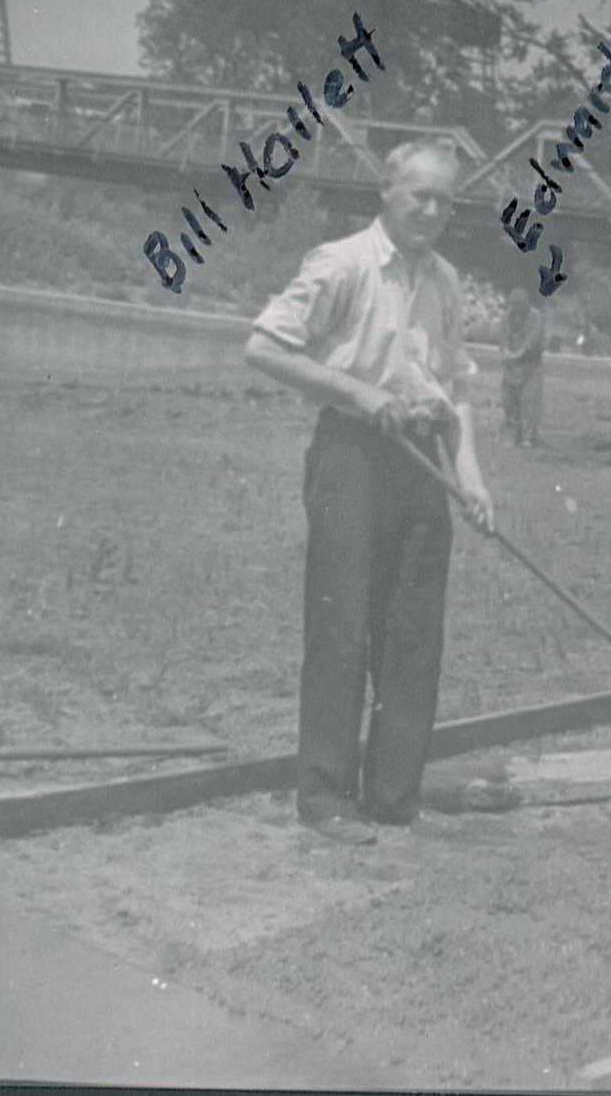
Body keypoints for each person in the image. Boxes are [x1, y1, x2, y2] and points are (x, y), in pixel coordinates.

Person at [243, 139, 494, 846]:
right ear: (388, 192)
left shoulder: (445, 281)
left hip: (423, 462)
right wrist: (357, 392)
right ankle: (324, 797)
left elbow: (459, 392)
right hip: (352, 456)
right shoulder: (342, 262)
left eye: (447, 200)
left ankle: (392, 795)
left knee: (414, 634)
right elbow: (263, 346)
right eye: (422, 195)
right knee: (341, 625)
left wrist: (470, 478)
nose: (434, 211)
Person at [499, 288, 548, 447]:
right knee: (509, 399)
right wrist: (506, 351)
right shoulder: (506, 317)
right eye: (513, 304)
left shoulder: (536, 317)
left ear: (526, 303)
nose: (516, 307)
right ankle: (512, 434)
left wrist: (517, 354)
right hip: (511, 363)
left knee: (529, 400)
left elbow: (532, 341)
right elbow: (502, 337)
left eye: (519, 304)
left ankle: (529, 436)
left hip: (531, 363)